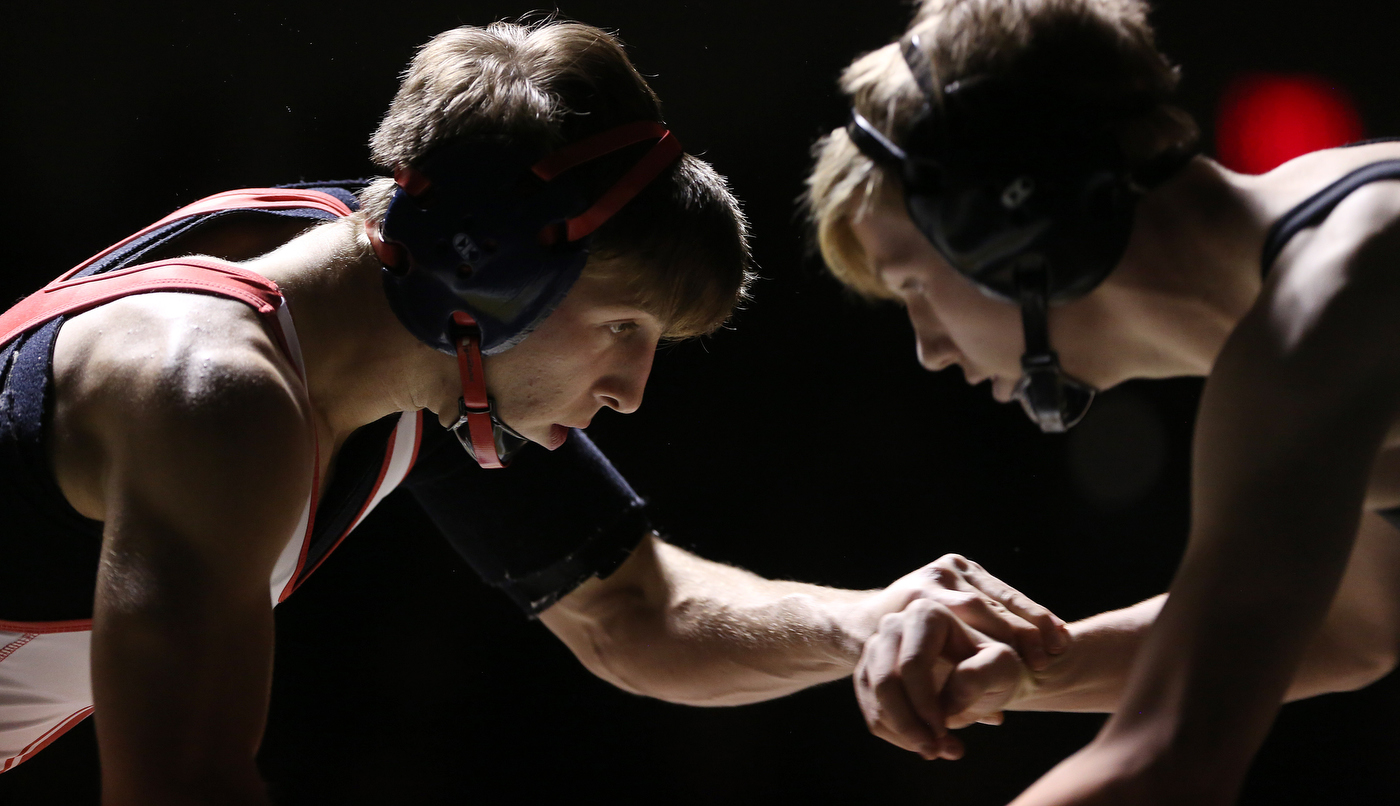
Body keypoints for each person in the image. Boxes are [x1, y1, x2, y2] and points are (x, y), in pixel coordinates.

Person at [0, 18, 1070, 803]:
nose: (630, 392)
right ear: (491, 272)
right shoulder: (212, 392)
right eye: (621, 326)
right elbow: (178, 788)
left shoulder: (396, 318)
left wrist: (867, 620)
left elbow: (635, 613)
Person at [805, 0, 1400, 802]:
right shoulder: (1319, 287)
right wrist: (1027, 671)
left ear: (1017, 224)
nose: (929, 349)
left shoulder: (1327, 306)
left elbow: (1170, 757)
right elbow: (1355, 625)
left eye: (914, 283)